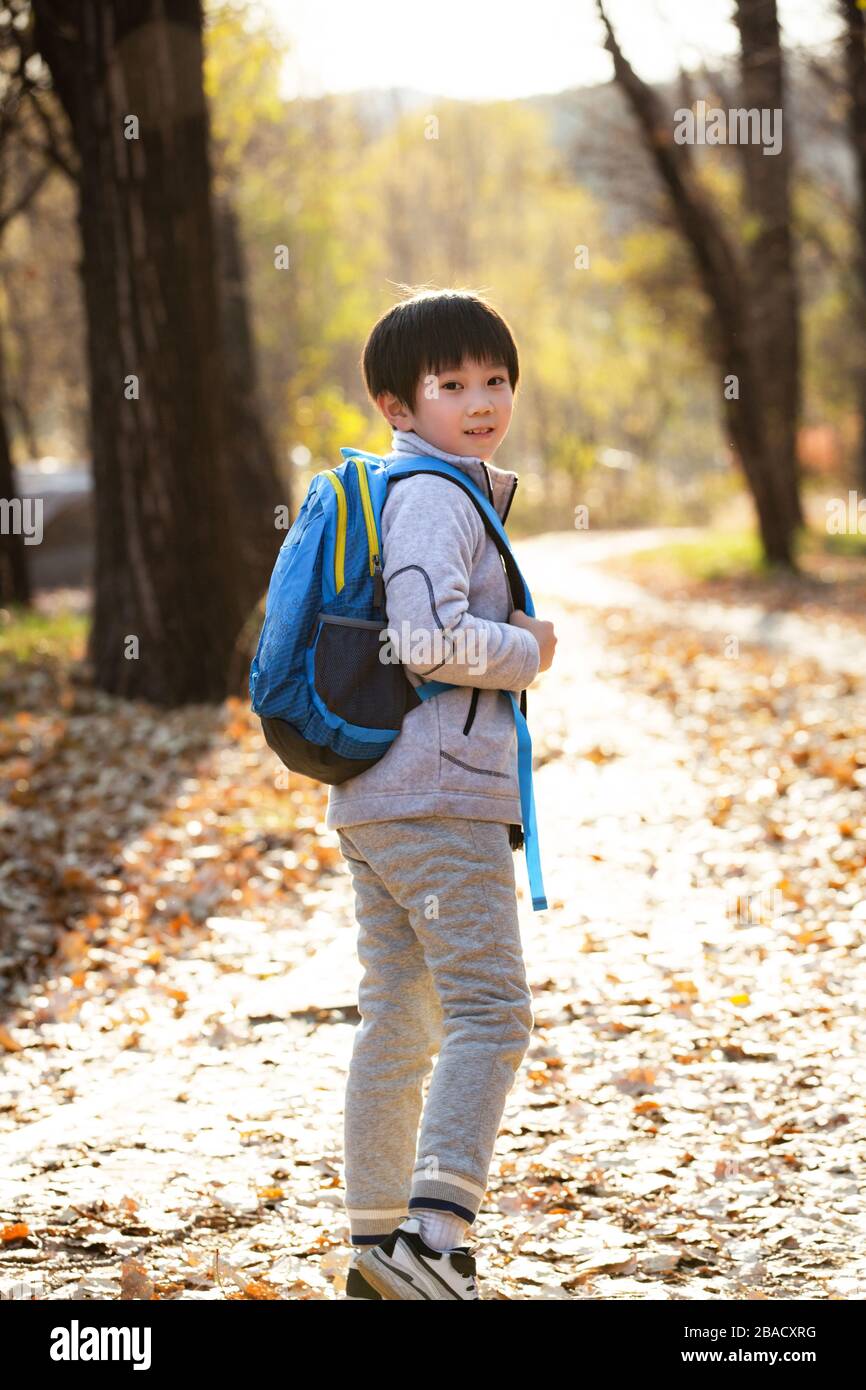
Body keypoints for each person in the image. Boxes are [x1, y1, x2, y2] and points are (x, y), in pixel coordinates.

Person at [330, 287, 557, 1300]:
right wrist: (528, 650)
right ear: (396, 404)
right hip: (434, 795)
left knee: (402, 1011)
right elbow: (424, 640)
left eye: (494, 379)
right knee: (490, 1011)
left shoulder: (424, 486)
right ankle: (432, 1239)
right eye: (452, 382)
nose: (479, 400)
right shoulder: (431, 493)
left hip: (380, 794)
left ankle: (379, 1246)